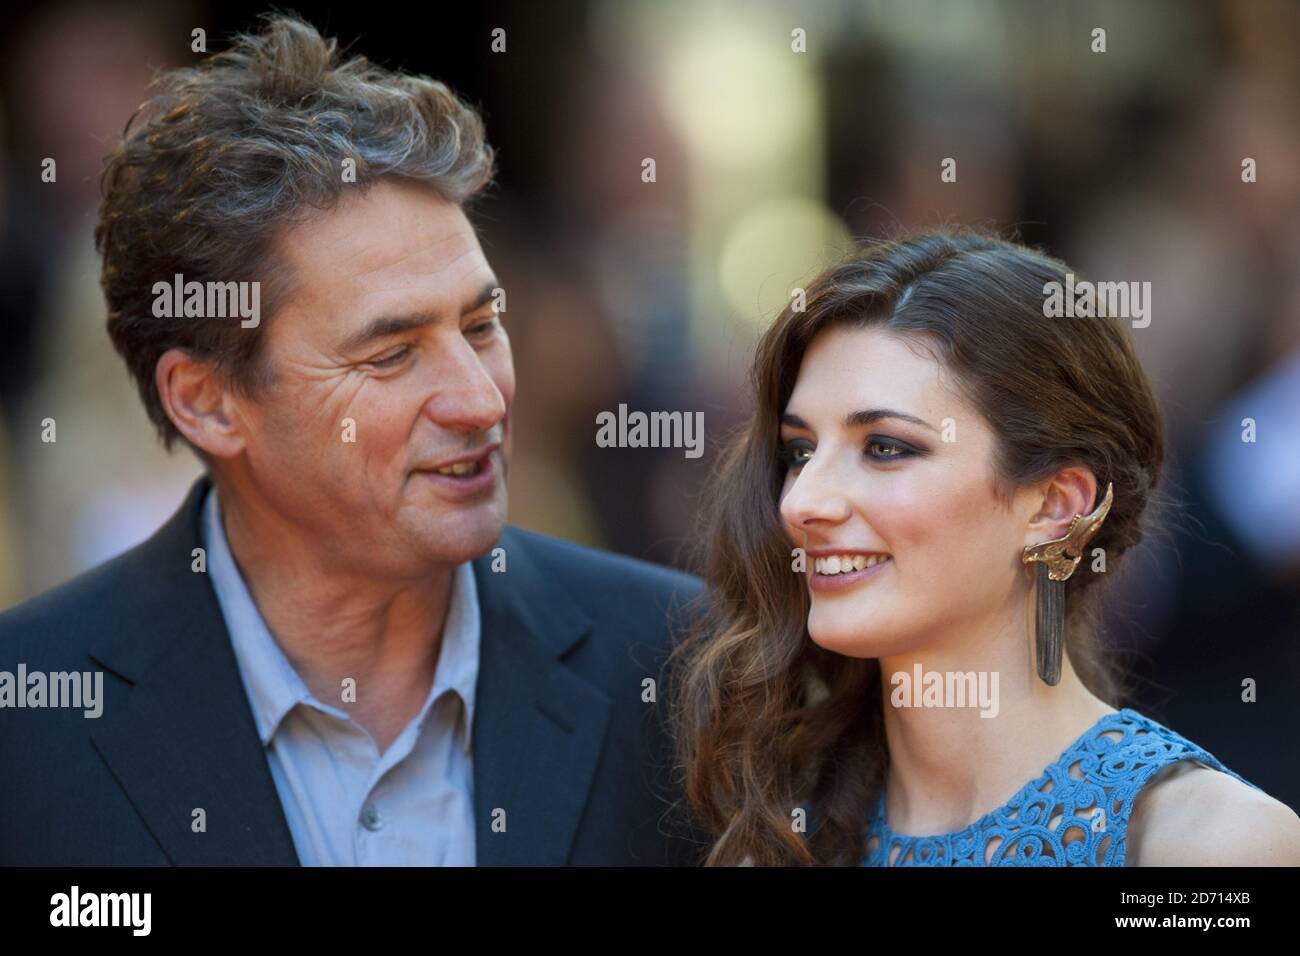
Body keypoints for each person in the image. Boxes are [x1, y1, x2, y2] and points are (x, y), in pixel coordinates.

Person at [0, 15, 704, 867]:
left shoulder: (679, 668)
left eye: (482, 325)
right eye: (391, 353)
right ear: (207, 402)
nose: (481, 400)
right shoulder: (32, 715)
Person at [670, 229, 1300, 866]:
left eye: (885, 447)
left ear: (1057, 507)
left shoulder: (1210, 847)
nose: (802, 502)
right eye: (799, 452)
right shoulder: (778, 848)